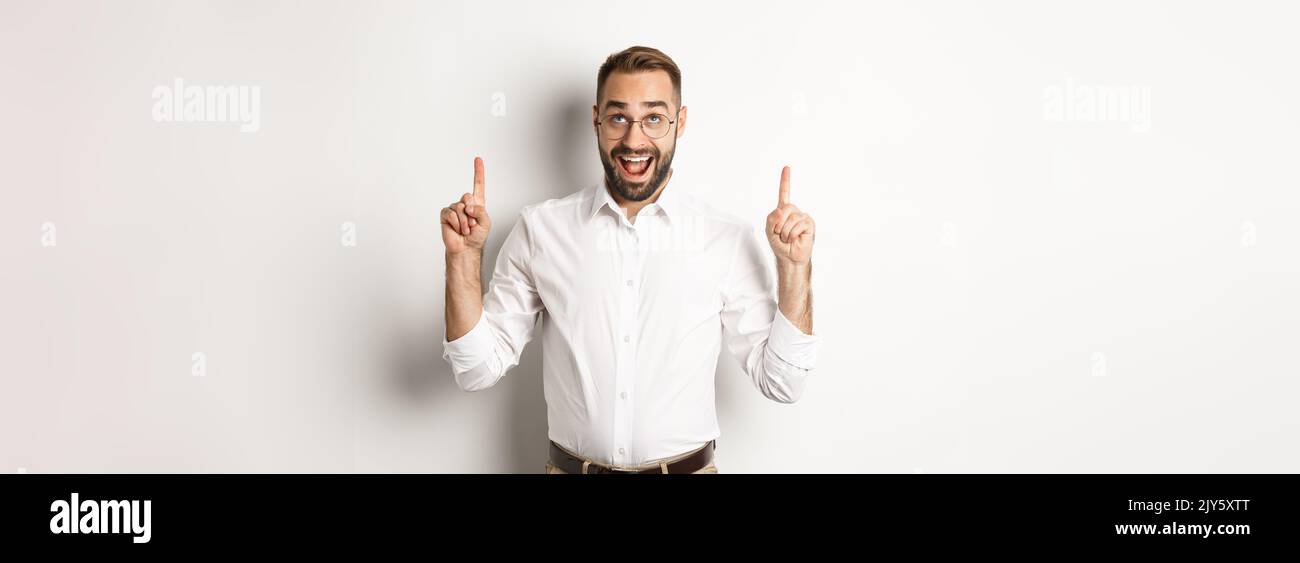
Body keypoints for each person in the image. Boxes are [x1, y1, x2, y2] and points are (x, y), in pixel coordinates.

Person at [439, 46, 820, 474]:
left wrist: (794, 269)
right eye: (619, 117)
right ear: (596, 119)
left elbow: (783, 383)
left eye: (654, 118)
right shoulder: (540, 230)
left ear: (681, 122)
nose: (634, 140)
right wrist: (464, 259)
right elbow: (475, 371)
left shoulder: (725, 238)